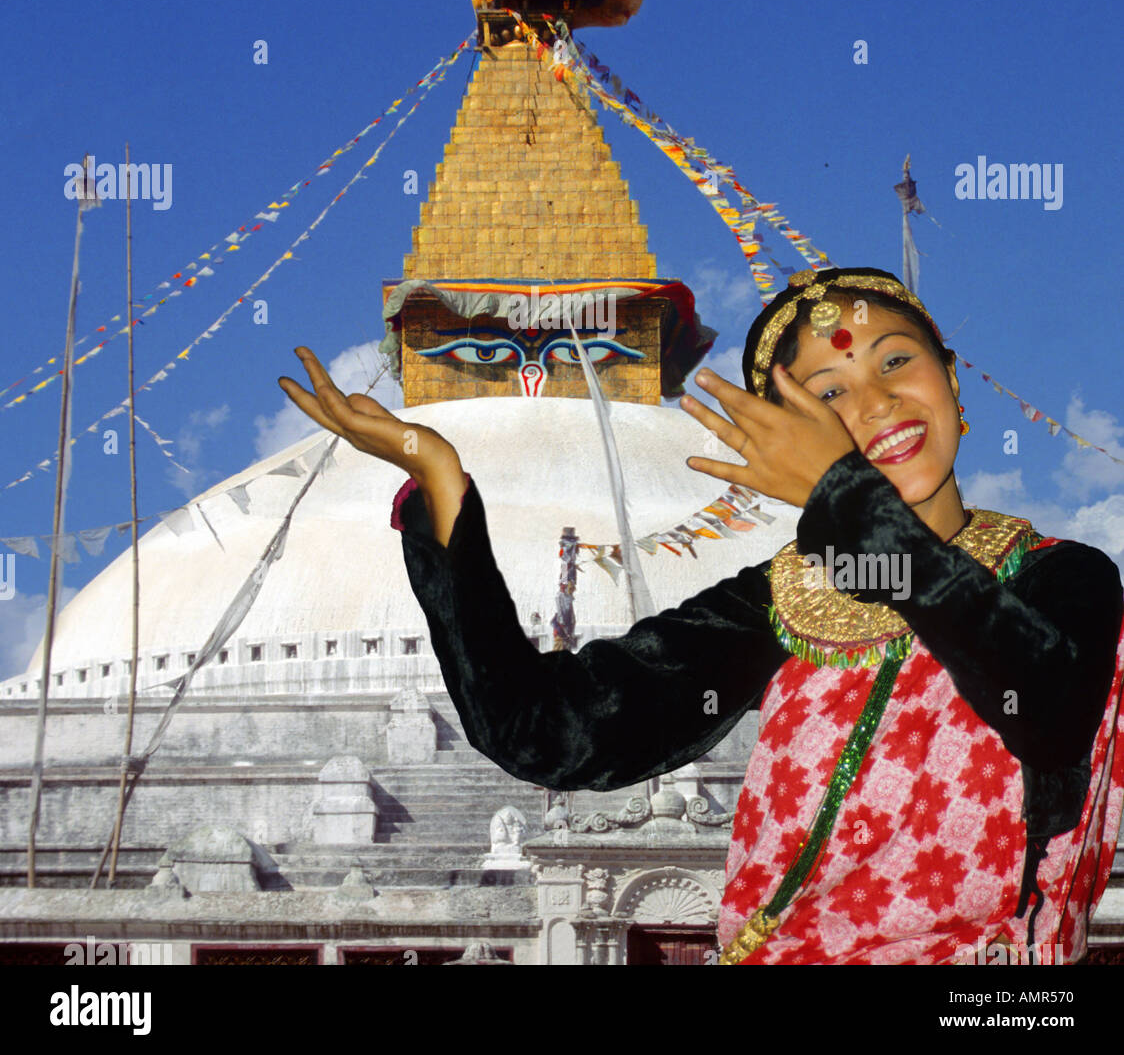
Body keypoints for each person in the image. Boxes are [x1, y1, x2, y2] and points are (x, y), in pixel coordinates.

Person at [278, 266, 1124, 965]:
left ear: (954, 382)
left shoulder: (1054, 579)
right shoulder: (781, 599)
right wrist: (442, 486)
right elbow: (545, 729)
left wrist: (845, 500)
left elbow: (1046, 704)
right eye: (828, 393)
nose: (874, 404)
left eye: (897, 363)